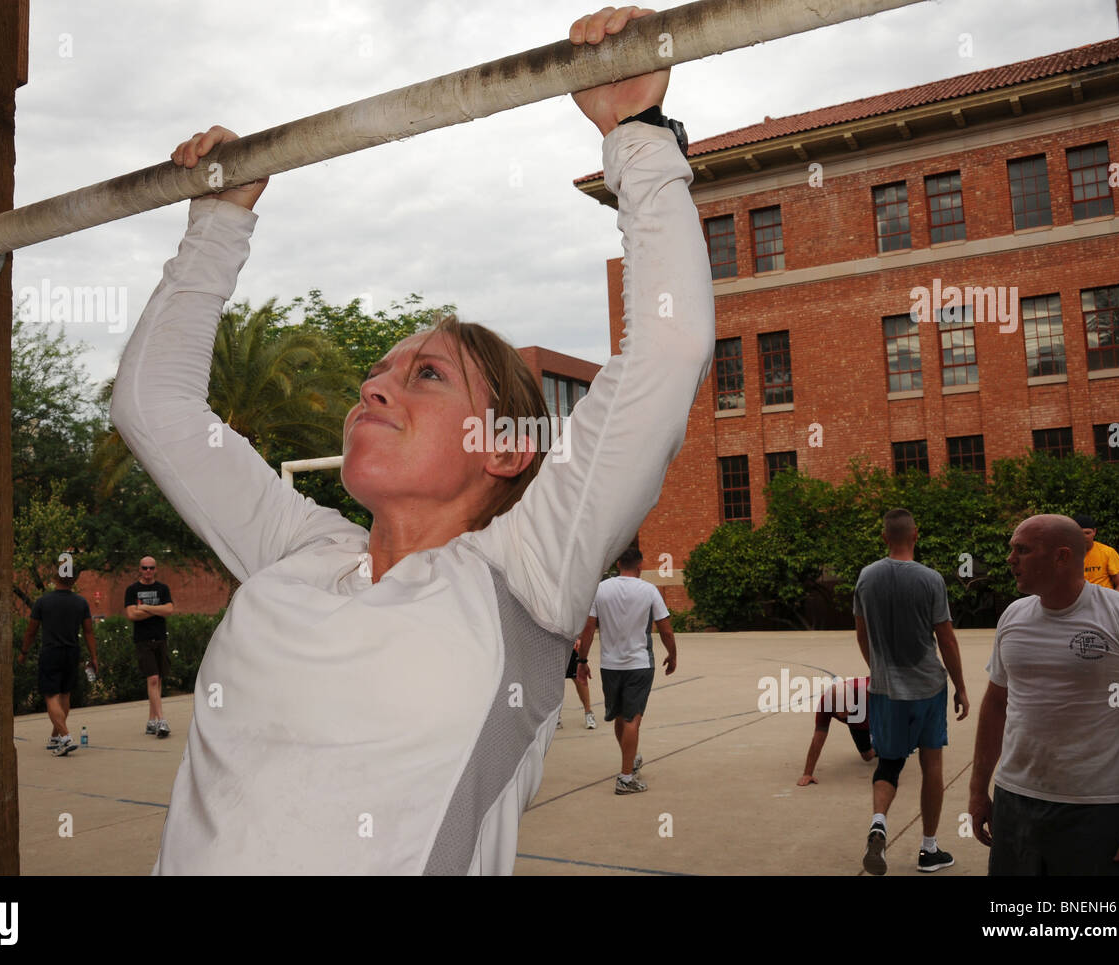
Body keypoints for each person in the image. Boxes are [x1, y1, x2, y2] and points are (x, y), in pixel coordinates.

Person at [107, 6, 713, 874]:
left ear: (504, 447)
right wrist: (219, 222)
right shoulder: (297, 549)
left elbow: (670, 343)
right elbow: (151, 405)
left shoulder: (525, 574)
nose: (374, 384)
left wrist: (638, 133)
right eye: (380, 372)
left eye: (425, 374)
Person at [968, 514, 1119, 876]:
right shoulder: (1013, 616)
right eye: (1012, 550)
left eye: (1022, 550)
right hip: (1015, 802)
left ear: (1061, 557)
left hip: (1097, 809)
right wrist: (978, 790)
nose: (1010, 559)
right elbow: (996, 705)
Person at [853, 508, 969, 875]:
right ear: (915, 535)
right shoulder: (931, 580)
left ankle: (878, 823)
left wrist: (879, 671)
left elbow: (861, 632)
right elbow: (946, 639)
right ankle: (928, 849)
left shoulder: (867, 577)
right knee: (931, 765)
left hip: (886, 690)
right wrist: (961, 687)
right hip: (927, 687)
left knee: (889, 762)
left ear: (885, 537)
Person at [575, 548, 677, 794]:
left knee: (620, 717)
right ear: (640, 565)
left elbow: (588, 630)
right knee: (633, 719)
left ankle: (629, 761)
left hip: (610, 665)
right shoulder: (649, 591)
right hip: (639, 664)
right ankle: (625, 778)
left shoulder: (600, 589)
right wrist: (672, 654)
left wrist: (582, 660)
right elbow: (665, 629)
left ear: (618, 563)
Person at [1073, 513, 1119, 745]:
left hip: (1106, 618)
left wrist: (1107, 604)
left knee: (1116, 670)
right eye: (1079, 533)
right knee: (1081, 672)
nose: (1084, 538)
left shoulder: (1107, 552)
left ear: (1094, 533)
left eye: (1088, 533)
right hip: (1077, 618)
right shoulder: (1067, 554)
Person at [18, 572, 98, 757]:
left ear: (54, 579)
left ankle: (66, 737)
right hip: (72, 652)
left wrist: (23, 652)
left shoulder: (43, 602)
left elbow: (31, 631)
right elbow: (88, 632)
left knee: (51, 697)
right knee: (65, 695)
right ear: (74, 580)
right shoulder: (81, 603)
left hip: (51, 652)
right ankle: (55, 737)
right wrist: (94, 656)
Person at [125, 556, 174, 737]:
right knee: (153, 679)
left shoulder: (163, 588)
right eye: (144, 568)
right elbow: (131, 614)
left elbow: (169, 610)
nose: (148, 571)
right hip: (143, 641)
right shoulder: (132, 590)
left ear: (155, 569)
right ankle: (161, 721)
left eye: (151, 568)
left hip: (160, 639)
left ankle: (151, 721)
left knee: (158, 680)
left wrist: (144, 608)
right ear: (139, 569)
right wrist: (157, 610)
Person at [797, 676, 875, 786]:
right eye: (838, 710)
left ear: (853, 699)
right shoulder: (825, 704)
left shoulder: (868, 690)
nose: (842, 715)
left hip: (875, 715)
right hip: (858, 724)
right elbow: (818, 740)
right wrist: (807, 774)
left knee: (891, 745)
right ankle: (876, 742)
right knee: (867, 756)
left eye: (846, 708)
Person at [560, 643, 597, 730]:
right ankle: (555, 717)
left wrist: (579, 638)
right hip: (553, 643)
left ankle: (588, 713)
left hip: (571, 642)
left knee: (579, 678)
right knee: (553, 680)